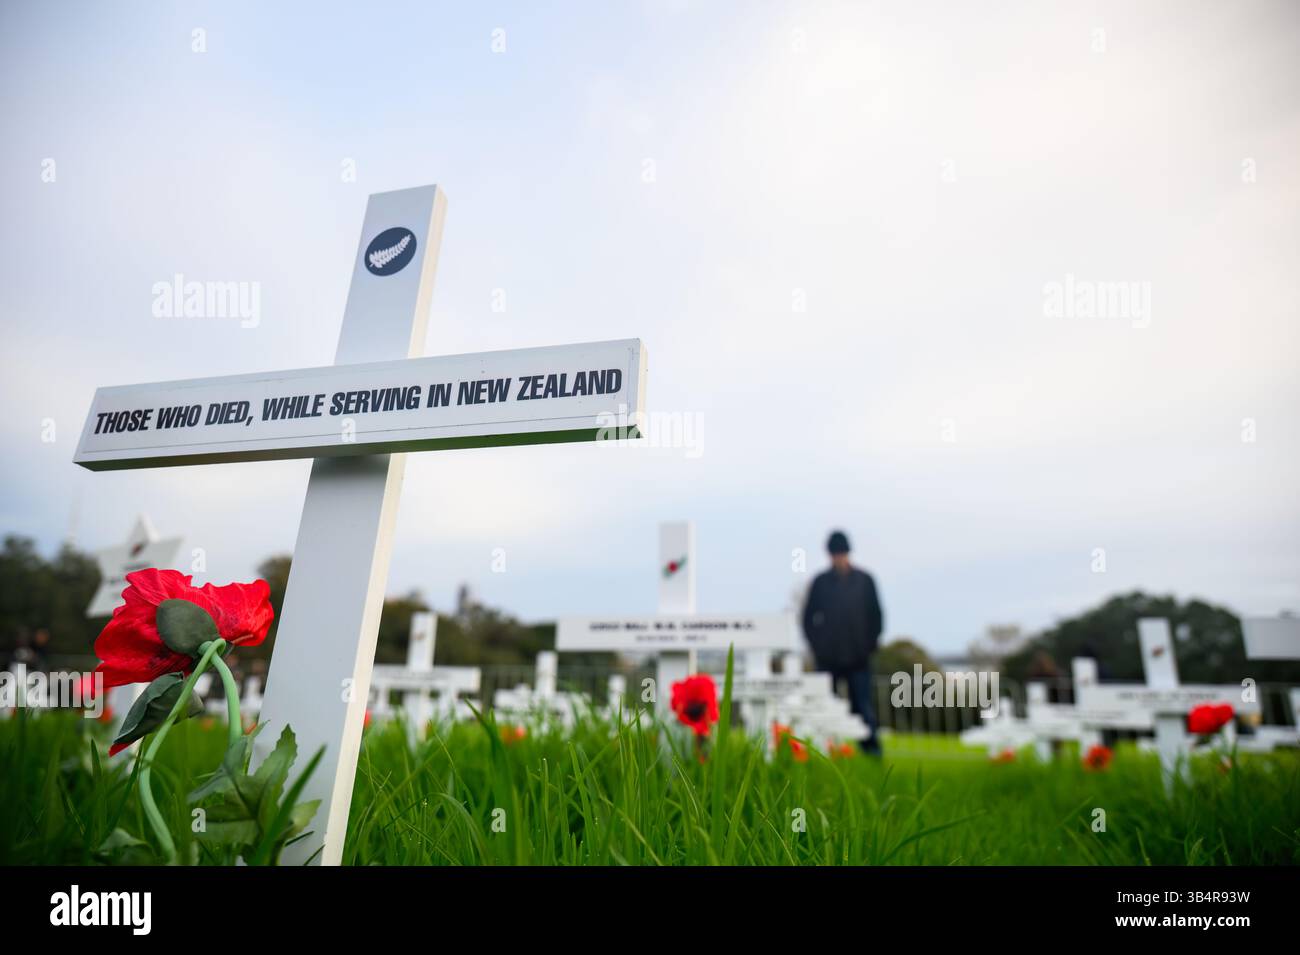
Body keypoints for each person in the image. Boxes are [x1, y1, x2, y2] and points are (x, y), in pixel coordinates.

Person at [801, 530, 884, 754]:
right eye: (835, 553)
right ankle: (826, 749)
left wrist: (869, 646)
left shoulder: (866, 581)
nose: (839, 557)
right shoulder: (820, 583)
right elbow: (808, 619)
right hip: (828, 659)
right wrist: (818, 647)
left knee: (863, 707)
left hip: (859, 658)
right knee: (825, 707)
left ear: (848, 553)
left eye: (842, 553)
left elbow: (876, 616)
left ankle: (871, 751)